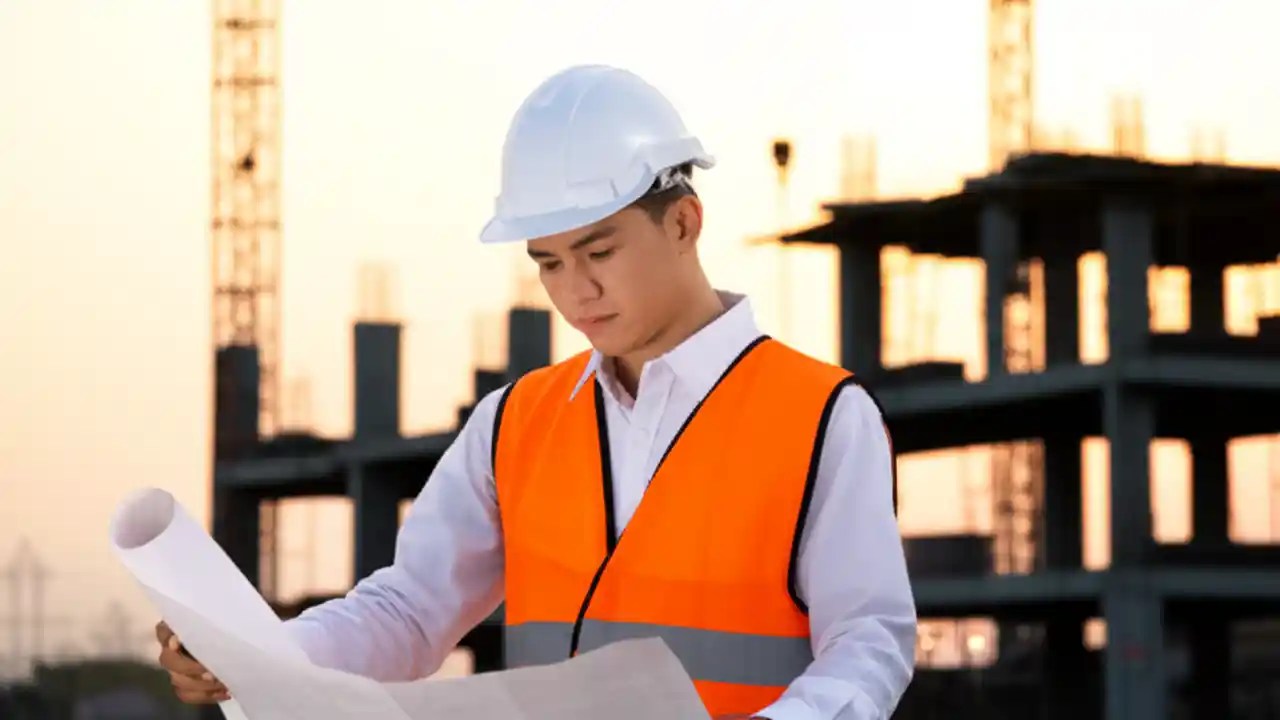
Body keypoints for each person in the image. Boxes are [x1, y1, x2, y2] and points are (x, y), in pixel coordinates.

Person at [157, 64, 917, 719]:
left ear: (684, 221)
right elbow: (411, 610)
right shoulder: (514, 424)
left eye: (599, 251)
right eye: (548, 262)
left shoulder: (820, 418)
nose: (576, 291)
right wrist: (259, 655)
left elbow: (869, 645)